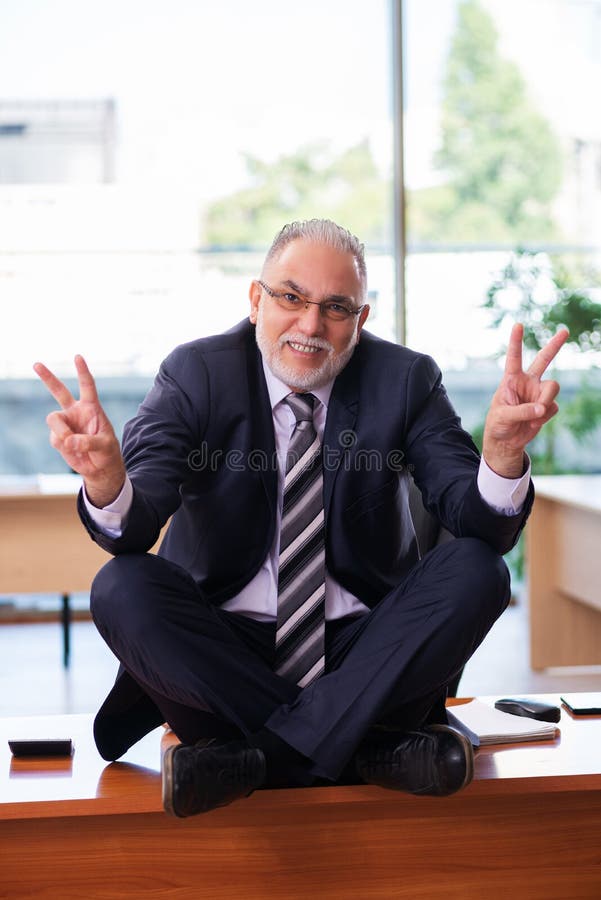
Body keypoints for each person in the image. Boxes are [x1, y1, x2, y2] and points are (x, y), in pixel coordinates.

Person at [35, 218, 567, 818]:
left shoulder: (406, 378)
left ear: (360, 321)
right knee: (122, 585)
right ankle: (363, 751)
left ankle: (258, 758)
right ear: (256, 299)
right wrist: (107, 480)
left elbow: (481, 526)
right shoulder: (197, 372)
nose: (311, 325)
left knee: (478, 568)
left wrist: (501, 454)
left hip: (363, 653)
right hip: (222, 654)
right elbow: (132, 530)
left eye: (336, 307)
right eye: (291, 297)